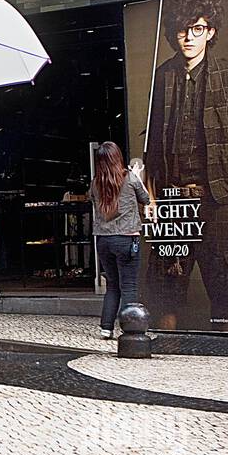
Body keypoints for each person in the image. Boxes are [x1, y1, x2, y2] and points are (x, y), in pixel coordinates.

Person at [143, 0, 228, 328]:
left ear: (210, 32)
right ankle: (168, 355)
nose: (189, 37)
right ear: (173, 34)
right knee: (167, 281)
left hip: (217, 196)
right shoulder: (162, 77)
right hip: (171, 197)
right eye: (182, 30)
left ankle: (222, 354)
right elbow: (152, 147)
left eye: (197, 29)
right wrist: (151, 199)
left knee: (225, 281)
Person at [90, 140, 151, 339]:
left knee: (113, 285)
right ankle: (130, 329)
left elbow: (93, 200)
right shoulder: (130, 178)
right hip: (126, 239)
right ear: (118, 158)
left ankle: (106, 328)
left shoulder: (95, 183)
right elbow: (146, 199)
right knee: (129, 286)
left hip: (103, 241)